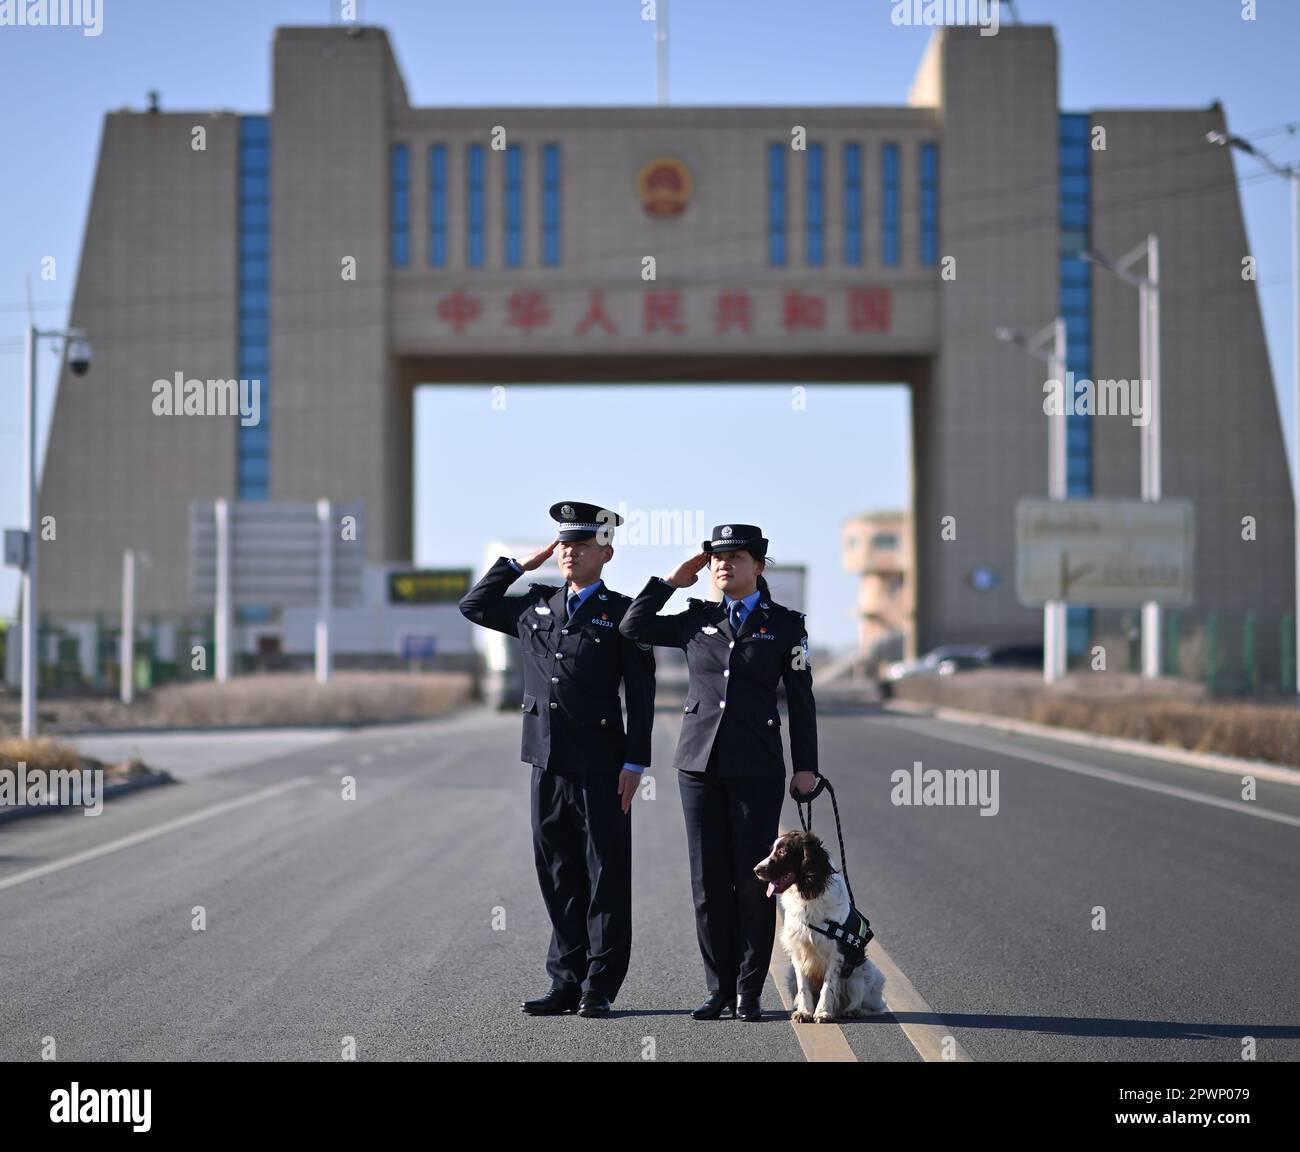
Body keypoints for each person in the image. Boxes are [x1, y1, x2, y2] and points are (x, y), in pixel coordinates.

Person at [459, 501, 656, 1019]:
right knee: (558, 872)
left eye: (581, 544)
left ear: (606, 553)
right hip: (546, 761)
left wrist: (635, 764)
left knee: (605, 874)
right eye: (564, 544)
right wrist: (520, 564)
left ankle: (600, 985)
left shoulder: (623, 613)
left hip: (601, 764)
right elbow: (474, 607)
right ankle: (565, 981)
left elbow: (640, 694)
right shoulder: (536, 606)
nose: (569, 552)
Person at [619, 523, 818, 1022]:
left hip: (756, 767)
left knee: (754, 881)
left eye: (736, 556)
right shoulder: (694, 618)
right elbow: (632, 626)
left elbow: (802, 700)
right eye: (716, 558)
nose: (723, 565)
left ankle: (749, 992)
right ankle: (718, 989)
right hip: (698, 766)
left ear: (759, 566)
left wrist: (806, 767)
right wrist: (672, 580)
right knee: (707, 883)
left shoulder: (786, 625)